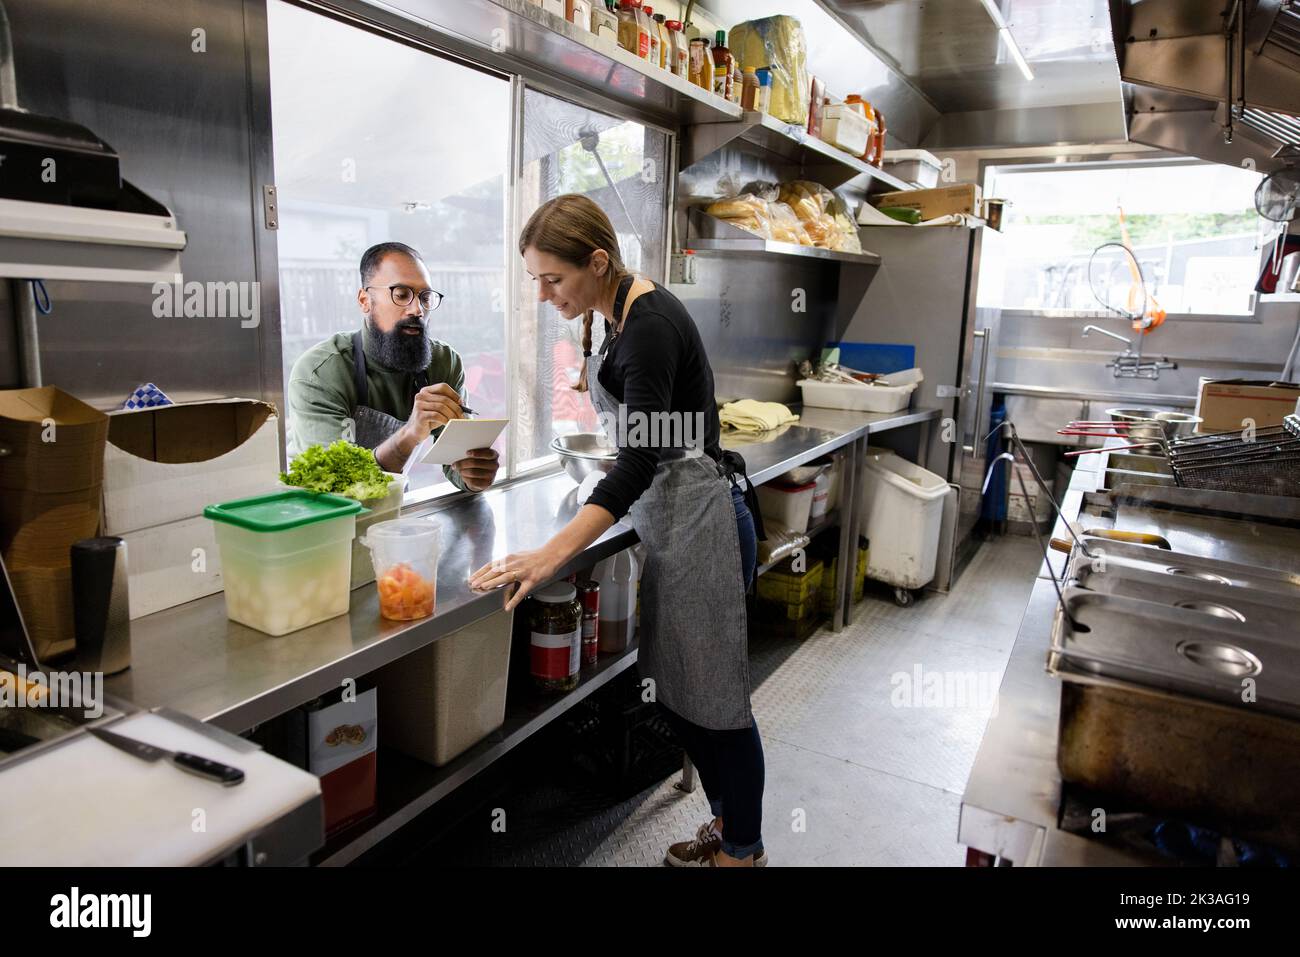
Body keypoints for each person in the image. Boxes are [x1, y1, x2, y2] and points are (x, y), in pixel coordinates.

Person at [469, 195, 766, 867]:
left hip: (705, 525)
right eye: (535, 280)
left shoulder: (650, 326)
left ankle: (743, 852)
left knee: (717, 705)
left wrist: (552, 552)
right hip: (673, 523)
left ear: (597, 261)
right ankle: (728, 826)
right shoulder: (617, 312)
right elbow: (641, 438)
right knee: (687, 702)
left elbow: (637, 458)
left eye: (553, 279)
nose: (543, 294)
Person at [286, 241, 499, 491]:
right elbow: (336, 486)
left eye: (425, 298)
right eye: (401, 294)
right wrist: (410, 434)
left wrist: (472, 475)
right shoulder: (320, 373)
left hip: (393, 508)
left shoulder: (443, 362)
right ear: (365, 300)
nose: (417, 309)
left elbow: (458, 461)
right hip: (324, 517)